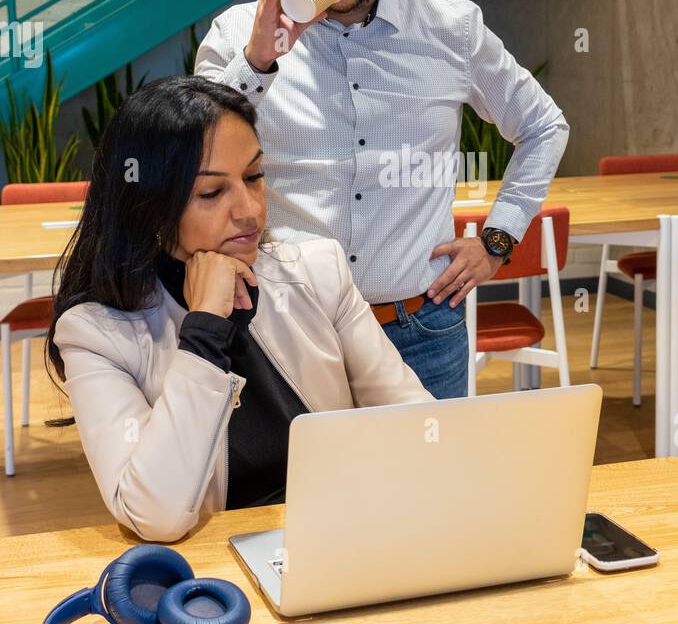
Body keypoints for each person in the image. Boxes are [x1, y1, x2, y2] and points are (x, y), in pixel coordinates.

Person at [195, 0, 570, 400]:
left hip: (420, 327)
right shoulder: (236, 34)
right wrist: (257, 61)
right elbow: (196, 164)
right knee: (301, 490)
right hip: (287, 330)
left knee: (432, 488)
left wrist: (497, 241)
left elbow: (543, 126)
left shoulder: (453, 30)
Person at [46, 76, 432, 543]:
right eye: (211, 194)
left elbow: (415, 422)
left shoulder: (317, 269)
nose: (249, 210)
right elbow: (157, 515)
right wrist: (204, 330)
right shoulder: (96, 334)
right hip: (211, 573)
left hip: (343, 539)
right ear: (147, 208)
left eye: (253, 177)